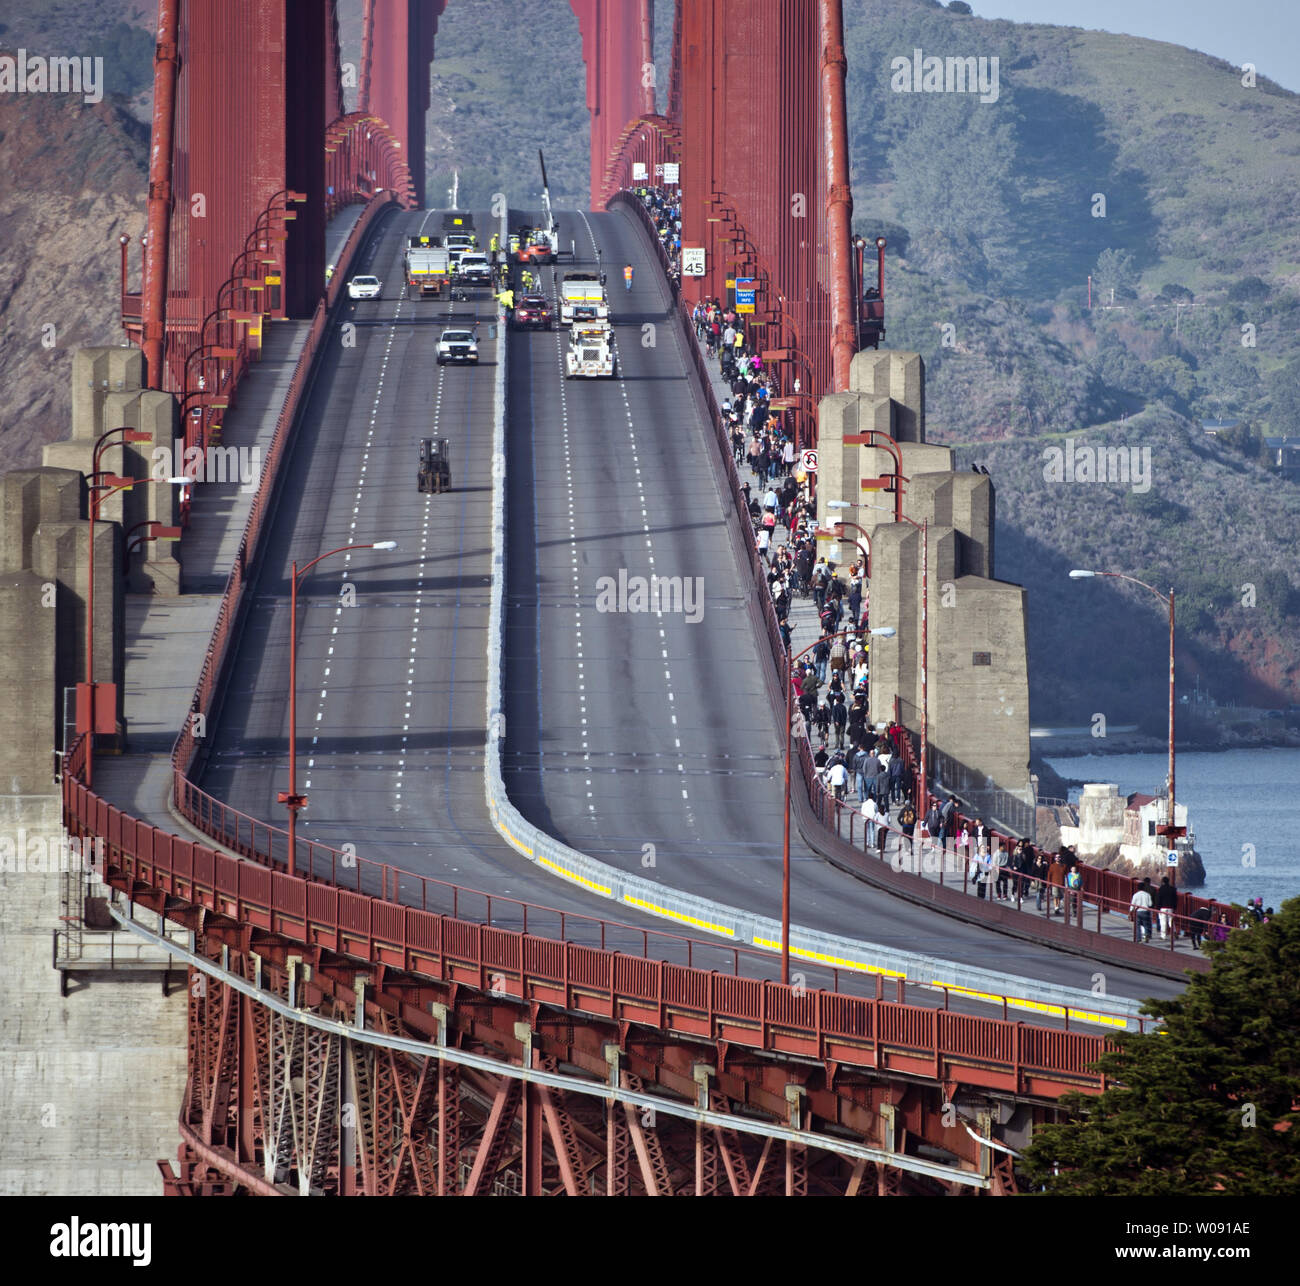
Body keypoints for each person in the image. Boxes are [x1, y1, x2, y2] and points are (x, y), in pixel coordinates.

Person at [1130, 877, 1155, 943]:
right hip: (1146, 911)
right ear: (1144, 888)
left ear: (1138, 888)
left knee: (1137, 926)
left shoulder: (1135, 895)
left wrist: (1130, 912)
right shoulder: (1147, 895)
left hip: (1138, 912)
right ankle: (1147, 935)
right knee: (1146, 924)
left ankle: (1139, 939)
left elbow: (1132, 904)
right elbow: (1150, 904)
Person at [1155, 875, 1178, 941]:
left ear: (1163, 882)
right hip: (1170, 907)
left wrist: (1157, 907)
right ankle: (1174, 932)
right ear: (1168, 881)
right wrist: (1174, 907)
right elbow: (1175, 899)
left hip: (1162, 907)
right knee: (1171, 920)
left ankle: (1163, 936)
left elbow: (1158, 899)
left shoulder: (1161, 889)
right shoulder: (1173, 889)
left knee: (1163, 922)